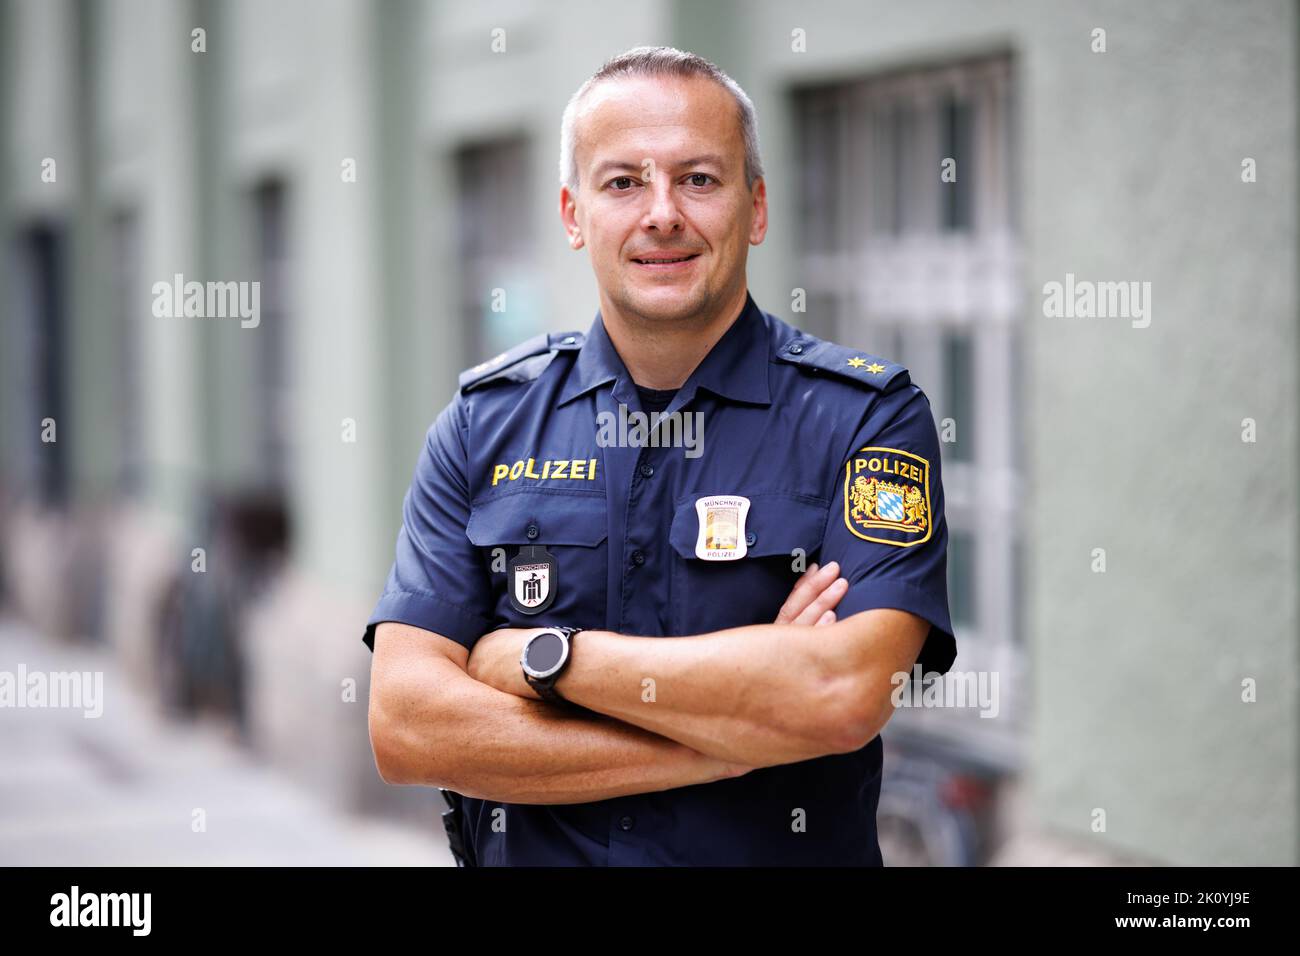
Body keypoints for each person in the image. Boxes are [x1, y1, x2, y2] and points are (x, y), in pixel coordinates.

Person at [363, 45, 955, 866]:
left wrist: (549, 659)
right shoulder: (483, 426)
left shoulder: (864, 422)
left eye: (699, 179)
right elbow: (406, 726)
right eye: (623, 182)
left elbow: (845, 693)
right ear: (574, 215)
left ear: (756, 208)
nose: (662, 213)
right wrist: (731, 740)